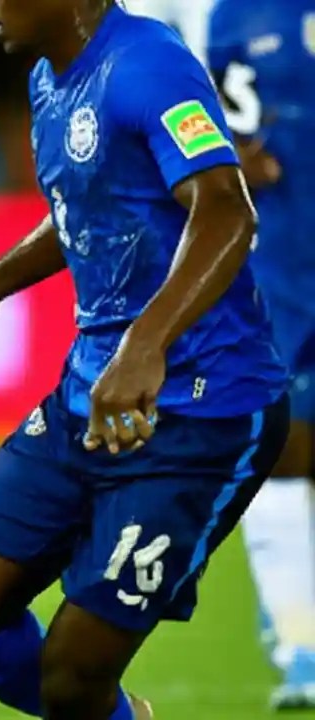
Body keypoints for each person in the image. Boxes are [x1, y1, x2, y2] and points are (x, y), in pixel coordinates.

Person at [0, 1, 290, 718]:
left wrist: (145, 344)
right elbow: (85, 208)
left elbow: (225, 208)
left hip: (200, 414)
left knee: (72, 676)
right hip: (90, 396)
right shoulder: (50, 80)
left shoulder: (148, 63)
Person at [209, 0, 315, 708]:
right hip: (278, 259)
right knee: (282, 445)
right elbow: (184, 103)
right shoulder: (215, 12)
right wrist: (221, 150)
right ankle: (300, 642)